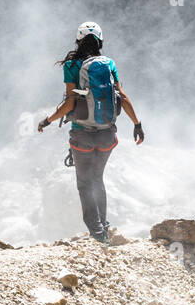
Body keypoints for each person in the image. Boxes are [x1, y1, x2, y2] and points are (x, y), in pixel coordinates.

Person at [37, 22, 144, 243]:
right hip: (107, 135)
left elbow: (69, 103)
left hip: (81, 135)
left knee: (85, 183)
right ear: (100, 42)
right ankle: (103, 226)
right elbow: (122, 97)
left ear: (77, 41)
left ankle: (97, 234)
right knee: (98, 179)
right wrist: (137, 124)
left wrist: (48, 120)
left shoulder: (72, 66)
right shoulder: (109, 64)